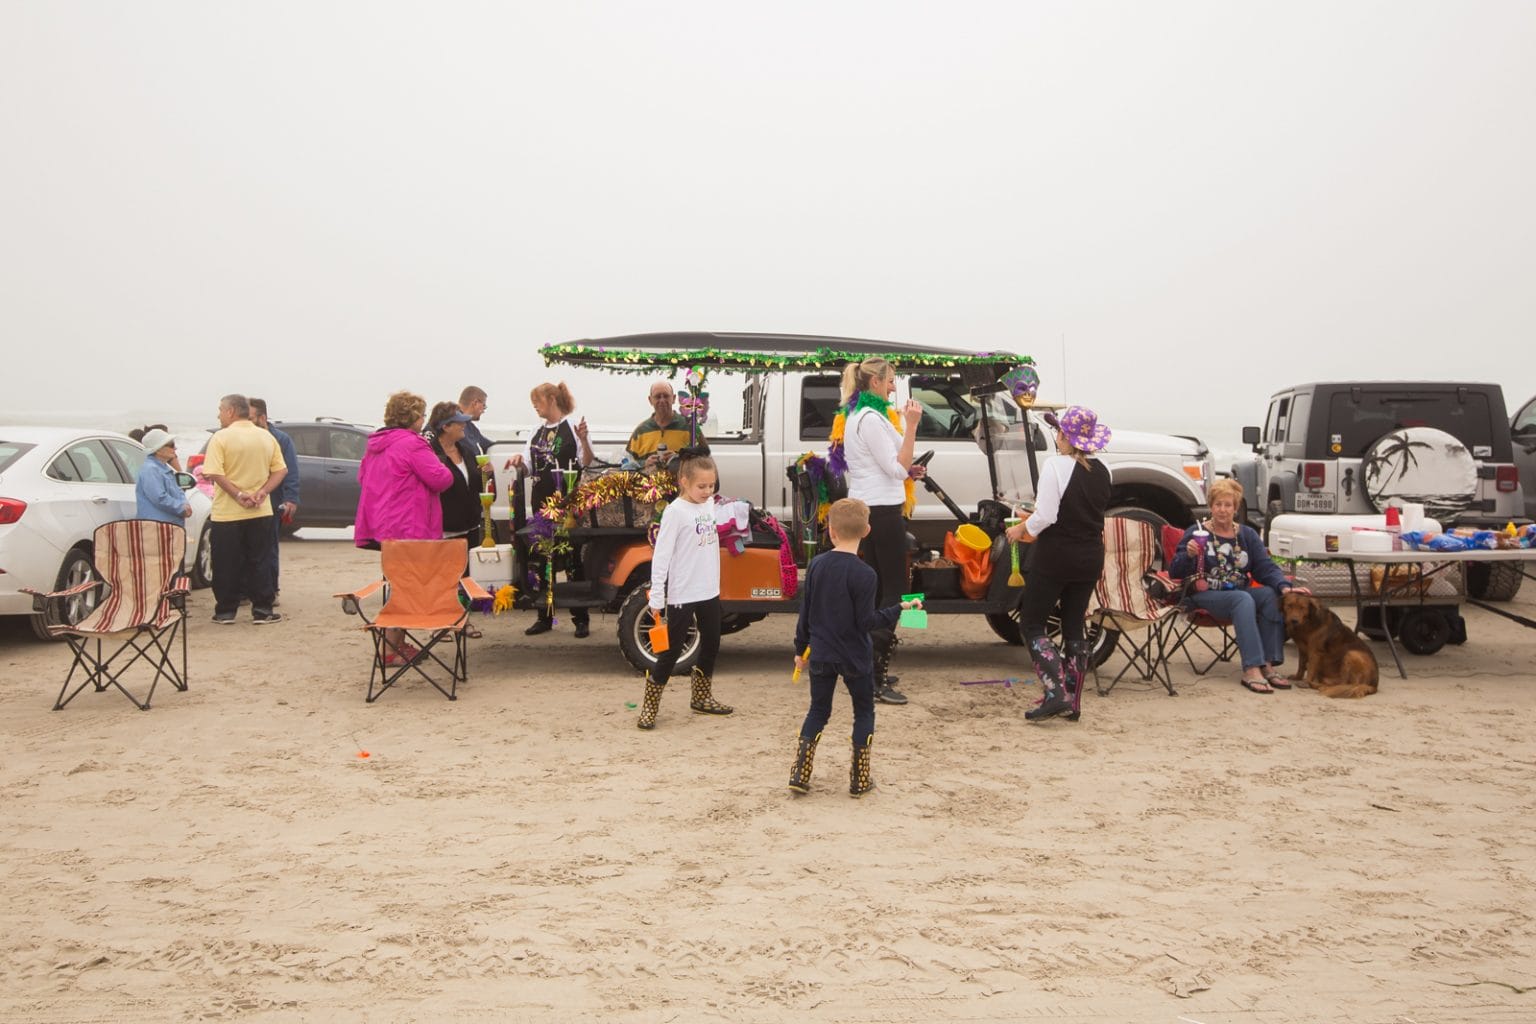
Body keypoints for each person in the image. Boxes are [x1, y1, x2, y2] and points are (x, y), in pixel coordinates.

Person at [789, 498, 923, 798]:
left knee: (818, 711)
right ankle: (859, 779)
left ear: (831, 531)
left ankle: (800, 772)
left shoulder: (817, 565)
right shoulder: (866, 574)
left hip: (821, 653)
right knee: (863, 712)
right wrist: (899, 608)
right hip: (854, 656)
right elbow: (867, 622)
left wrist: (800, 649)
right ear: (867, 531)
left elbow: (806, 612)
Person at [1004, 405, 1114, 722]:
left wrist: (1021, 529)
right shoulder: (1105, 468)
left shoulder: (1055, 465)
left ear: (1064, 435)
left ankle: (1055, 693)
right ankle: (1073, 701)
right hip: (1090, 554)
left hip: (1057, 555)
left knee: (1031, 623)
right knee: (1074, 625)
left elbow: (1047, 516)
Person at [832, 357, 925, 706]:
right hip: (882, 511)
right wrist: (911, 425)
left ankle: (867, 666)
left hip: (875, 506)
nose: (893, 386)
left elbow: (897, 460)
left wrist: (909, 465)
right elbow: (896, 469)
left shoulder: (866, 415)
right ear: (874, 383)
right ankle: (872, 675)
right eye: (890, 381)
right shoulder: (870, 419)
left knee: (877, 591)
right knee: (896, 591)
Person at [1167, 477, 1301, 693]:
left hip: (1237, 592)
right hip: (1204, 595)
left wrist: (1284, 586)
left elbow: (1265, 567)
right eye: (1218, 504)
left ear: (1235, 508)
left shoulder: (1247, 535)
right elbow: (1175, 571)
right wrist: (1189, 555)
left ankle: (1267, 664)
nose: (1222, 510)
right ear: (1211, 507)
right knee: (1243, 598)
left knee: (1269, 595)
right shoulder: (1197, 532)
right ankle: (1251, 669)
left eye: (1228, 505)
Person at [354, 391, 454, 663]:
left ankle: (396, 644)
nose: (424, 420)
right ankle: (390, 648)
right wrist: (444, 464)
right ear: (412, 417)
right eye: (422, 415)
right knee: (408, 587)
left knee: (398, 583)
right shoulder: (413, 444)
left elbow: (362, 477)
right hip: (409, 525)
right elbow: (441, 479)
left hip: (383, 525)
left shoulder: (376, 445)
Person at [636, 453, 732, 729]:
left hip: (709, 590)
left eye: (711, 485)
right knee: (671, 651)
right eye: (701, 486)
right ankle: (649, 707)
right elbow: (662, 556)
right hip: (683, 593)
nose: (708, 491)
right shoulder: (675, 512)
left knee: (712, 642)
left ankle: (701, 697)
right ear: (684, 482)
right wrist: (657, 595)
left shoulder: (709, 504)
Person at [508, 382, 593, 638]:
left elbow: (587, 462)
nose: (535, 406)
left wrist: (583, 439)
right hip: (542, 505)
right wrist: (518, 462)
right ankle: (545, 616)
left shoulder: (573, 427)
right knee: (544, 560)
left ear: (552, 400)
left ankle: (581, 619)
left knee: (573, 560)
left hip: (569, 506)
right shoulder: (535, 432)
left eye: (538, 401)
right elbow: (528, 466)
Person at [202, 394, 288, 625]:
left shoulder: (221, 437)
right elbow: (281, 470)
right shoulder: (265, 436)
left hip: (227, 512)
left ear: (231, 411)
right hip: (260, 510)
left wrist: (238, 494)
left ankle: (225, 611)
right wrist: (263, 492)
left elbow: (214, 472)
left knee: (226, 562)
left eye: (221, 410)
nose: (218, 415)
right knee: (260, 561)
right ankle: (262, 609)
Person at [249, 398, 299, 603]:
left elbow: (290, 470)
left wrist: (291, 499)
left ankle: (270, 591)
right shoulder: (243, 438)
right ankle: (245, 591)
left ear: (262, 417)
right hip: (245, 502)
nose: (246, 422)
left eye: (250, 418)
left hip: (272, 501)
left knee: (268, 548)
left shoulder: (281, 439)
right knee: (245, 548)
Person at [426, 401, 485, 548]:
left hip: (472, 529)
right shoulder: (430, 455)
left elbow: (481, 490)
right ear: (445, 427)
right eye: (459, 422)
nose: (464, 425)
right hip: (445, 534)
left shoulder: (467, 452)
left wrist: (487, 475)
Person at [622, 380, 693, 471]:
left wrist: (678, 460)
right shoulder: (640, 431)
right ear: (650, 400)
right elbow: (627, 464)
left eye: (666, 396)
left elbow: (702, 461)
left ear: (674, 398)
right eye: (657, 396)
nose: (662, 400)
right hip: (648, 480)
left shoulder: (688, 427)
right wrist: (645, 463)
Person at [134, 428, 192, 526]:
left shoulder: (163, 468)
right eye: (171, 445)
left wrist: (185, 505)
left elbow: (178, 492)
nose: (175, 448)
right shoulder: (150, 469)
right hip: (156, 528)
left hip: (167, 526)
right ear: (158, 449)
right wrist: (182, 508)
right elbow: (159, 498)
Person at [459, 386, 492, 455]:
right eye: (483, 406)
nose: (483, 411)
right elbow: (470, 449)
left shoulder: (471, 427)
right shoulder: (454, 424)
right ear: (475, 403)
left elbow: (487, 444)